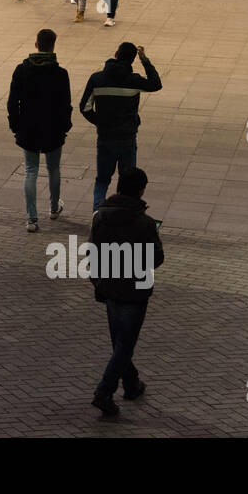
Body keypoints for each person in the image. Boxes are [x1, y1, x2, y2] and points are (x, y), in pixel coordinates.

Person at [89, 168, 163, 417]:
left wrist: (97, 281)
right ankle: (104, 391)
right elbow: (156, 258)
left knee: (119, 341)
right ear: (141, 189)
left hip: (109, 286)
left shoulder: (99, 217)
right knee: (125, 344)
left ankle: (131, 383)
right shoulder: (144, 223)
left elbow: (93, 253)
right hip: (134, 289)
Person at [80, 42, 162, 209]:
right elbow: (156, 84)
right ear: (132, 60)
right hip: (127, 138)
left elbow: (85, 107)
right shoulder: (134, 80)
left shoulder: (97, 79)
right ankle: (126, 213)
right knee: (127, 181)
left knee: (102, 180)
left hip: (105, 138)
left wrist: (101, 122)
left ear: (116, 54)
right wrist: (145, 60)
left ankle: (98, 213)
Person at [7, 28, 71, 232]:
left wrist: (15, 125)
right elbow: (65, 104)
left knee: (30, 171)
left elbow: (12, 102)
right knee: (53, 168)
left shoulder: (21, 70)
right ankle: (53, 208)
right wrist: (65, 126)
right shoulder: (60, 73)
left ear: (36, 45)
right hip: (53, 128)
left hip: (28, 128)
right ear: (53, 45)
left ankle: (32, 218)